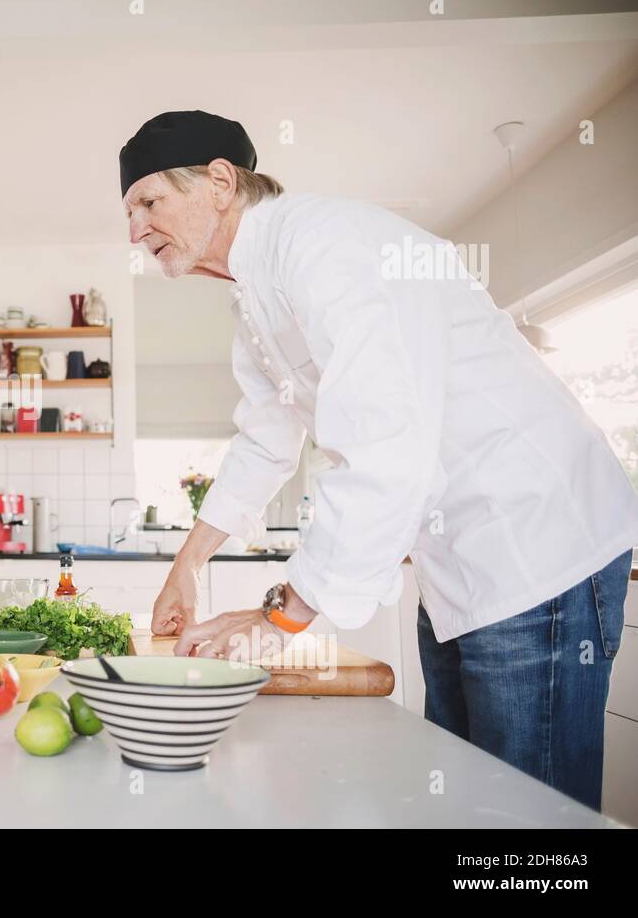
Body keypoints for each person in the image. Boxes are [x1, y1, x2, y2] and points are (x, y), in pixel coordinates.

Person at [124, 109, 638, 810]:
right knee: (466, 804)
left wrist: (279, 618)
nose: (135, 231)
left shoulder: (327, 246)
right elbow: (267, 438)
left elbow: (385, 443)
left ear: (218, 182)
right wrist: (188, 565)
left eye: (147, 202)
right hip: (459, 569)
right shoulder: (254, 298)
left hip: (536, 547)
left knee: (529, 822)